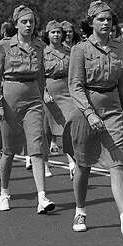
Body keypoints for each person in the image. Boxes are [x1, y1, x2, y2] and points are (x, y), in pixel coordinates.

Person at [68, 0, 123, 236]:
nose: (106, 23)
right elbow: (75, 86)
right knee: (83, 165)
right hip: (86, 111)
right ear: (91, 23)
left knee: (117, 162)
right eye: (101, 19)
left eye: (109, 20)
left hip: (112, 108)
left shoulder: (120, 49)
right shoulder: (80, 50)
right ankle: (80, 210)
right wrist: (89, 113)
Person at [0, 5, 52, 213]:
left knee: (37, 145)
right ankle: (4, 191)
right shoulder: (4, 46)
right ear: (15, 24)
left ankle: (41, 196)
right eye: (24, 22)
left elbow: (41, 75)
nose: (28, 25)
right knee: (8, 150)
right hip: (9, 101)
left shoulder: (40, 46)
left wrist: (41, 97)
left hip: (33, 100)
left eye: (31, 22)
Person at [42, 20, 78, 180]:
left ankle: (72, 163)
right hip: (49, 92)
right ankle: (44, 162)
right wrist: (43, 92)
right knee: (47, 131)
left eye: (58, 32)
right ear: (47, 35)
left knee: (68, 126)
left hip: (66, 91)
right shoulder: (42, 52)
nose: (56, 35)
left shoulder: (70, 51)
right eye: (53, 32)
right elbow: (38, 75)